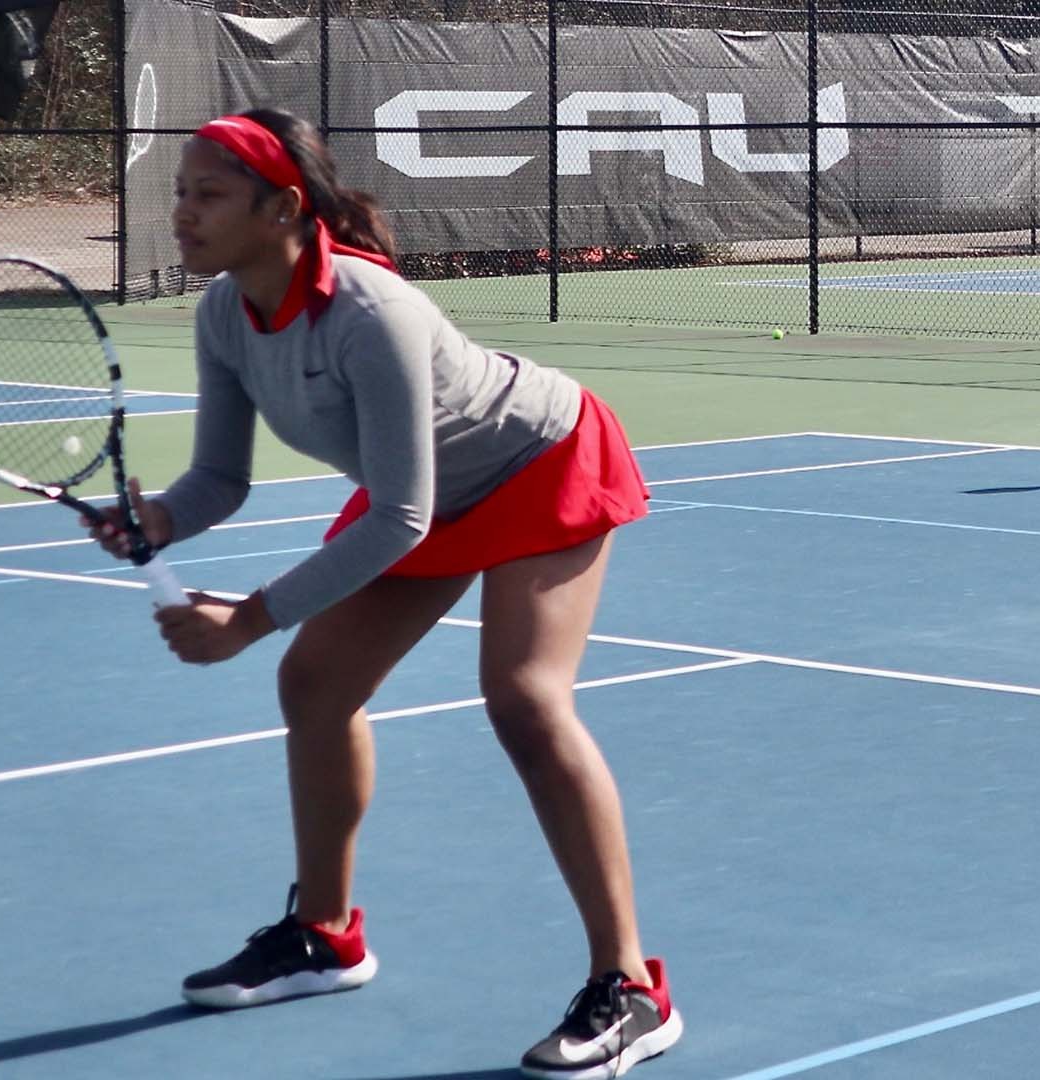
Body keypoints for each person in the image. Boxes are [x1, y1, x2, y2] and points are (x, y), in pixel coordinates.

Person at [84, 107, 681, 1078]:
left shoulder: (371, 313)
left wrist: (250, 616)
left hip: (540, 457)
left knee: (526, 701)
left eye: (209, 194)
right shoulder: (225, 313)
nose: (183, 213)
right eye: (180, 192)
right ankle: (325, 934)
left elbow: (398, 517)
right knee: (316, 683)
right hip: (431, 487)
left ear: (282, 208)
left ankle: (632, 987)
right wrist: (158, 522)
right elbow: (219, 482)